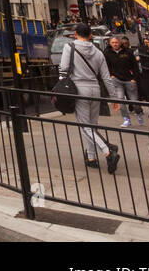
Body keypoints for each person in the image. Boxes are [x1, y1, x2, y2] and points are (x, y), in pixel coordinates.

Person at [59, 23, 122, 172]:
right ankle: (91, 157)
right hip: (95, 89)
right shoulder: (99, 52)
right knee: (91, 126)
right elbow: (106, 78)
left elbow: (63, 69)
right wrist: (114, 97)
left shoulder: (69, 47)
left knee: (85, 126)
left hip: (79, 89)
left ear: (75, 34)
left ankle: (107, 151)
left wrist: (61, 91)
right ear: (90, 35)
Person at [104, 34, 144, 127]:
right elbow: (107, 66)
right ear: (110, 43)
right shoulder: (107, 53)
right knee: (121, 101)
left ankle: (138, 114)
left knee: (134, 102)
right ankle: (126, 119)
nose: (115, 44)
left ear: (120, 43)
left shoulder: (128, 52)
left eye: (116, 42)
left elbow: (135, 66)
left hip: (129, 79)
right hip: (117, 80)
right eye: (113, 42)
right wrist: (111, 75)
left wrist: (134, 78)